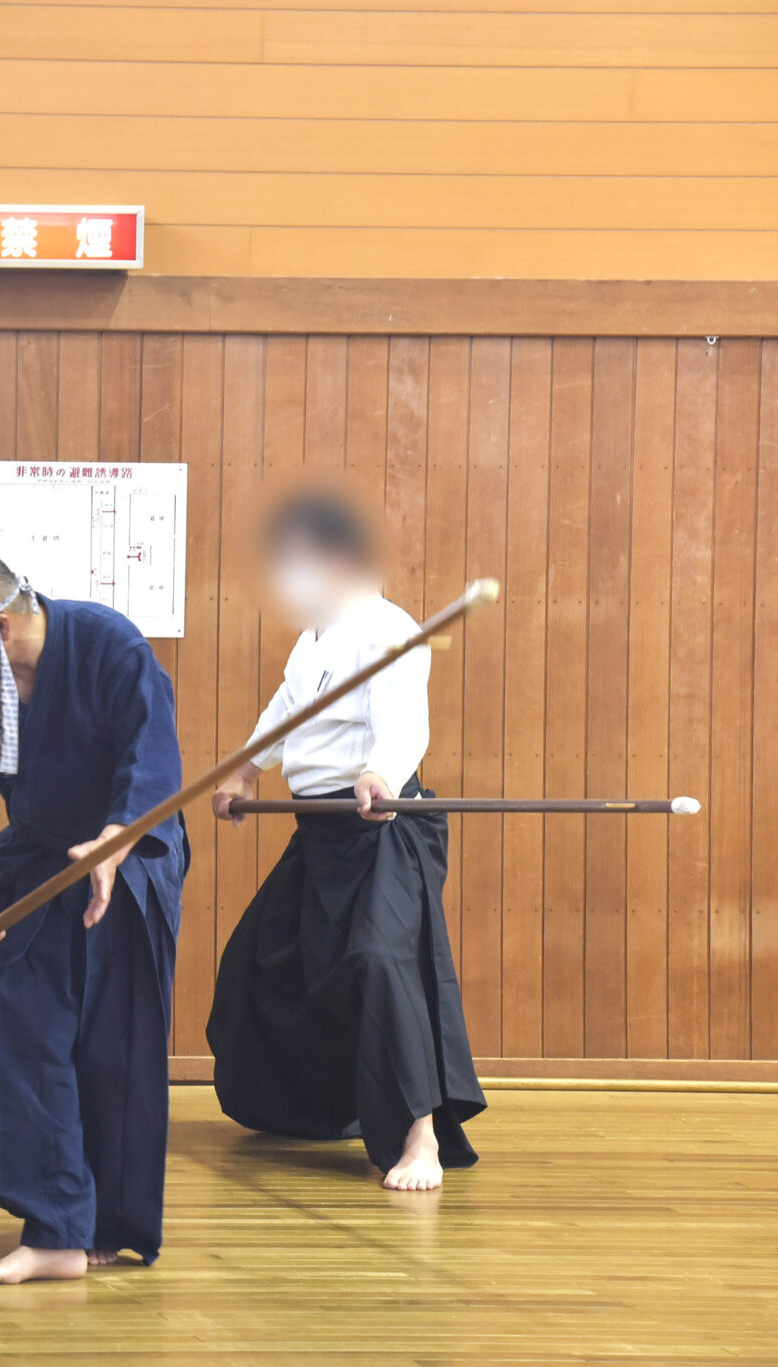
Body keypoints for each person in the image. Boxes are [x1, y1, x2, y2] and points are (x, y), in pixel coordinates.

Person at [0, 540, 187, 1284]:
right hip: (34, 854)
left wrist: (112, 843)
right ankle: (60, 1225)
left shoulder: (107, 644)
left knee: (112, 1038)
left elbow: (151, 760)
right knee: (16, 1007)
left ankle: (104, 1223)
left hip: (127, 847)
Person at [205, 488, 485, 1191]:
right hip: (323, 829)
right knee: (262, 955)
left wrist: (378, 771)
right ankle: (320, 1107)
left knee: (378, 962)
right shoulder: (318, 636)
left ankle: (420, 1136)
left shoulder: (387, 627)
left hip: (382, 823)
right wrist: (244, 770)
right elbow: (285, 709)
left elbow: (404, 721)